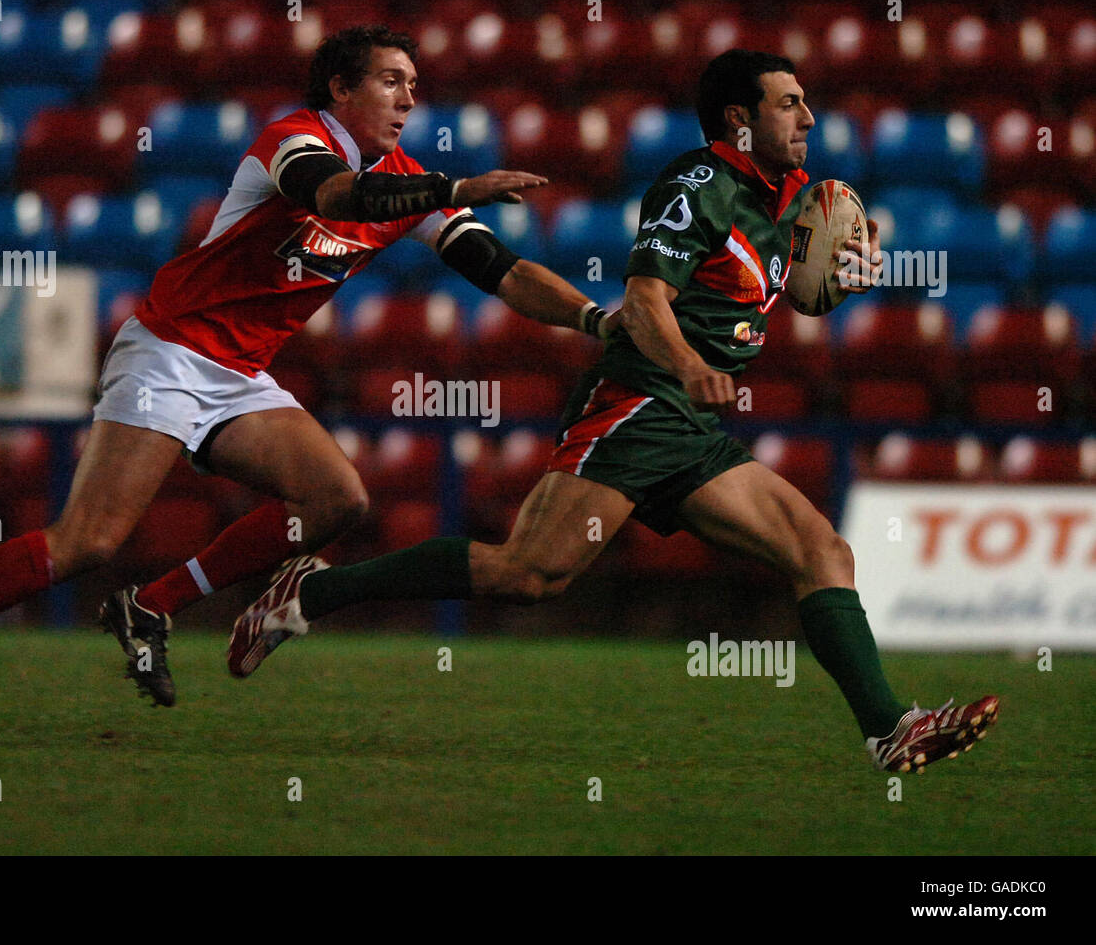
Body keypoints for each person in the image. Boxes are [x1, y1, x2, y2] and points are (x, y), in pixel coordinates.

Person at [231, 49, 999, 775]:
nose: (807, 118)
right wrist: (691, 365)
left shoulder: (777, 206)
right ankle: (309, 592)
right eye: (789, 104)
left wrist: (832, 282)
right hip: (641, 403)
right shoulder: (699, 184)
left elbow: (778, 294)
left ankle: (890, 730)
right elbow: (645, 296)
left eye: (806, 104)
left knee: (820, 550)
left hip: (690, 429)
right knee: (528, 573)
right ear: (740, 119)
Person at [0, 25, 616, 736]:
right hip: (170, 350)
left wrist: (594, 320)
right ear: (341, 90)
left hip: (240, 373)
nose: (409, 96)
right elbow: (334, 197)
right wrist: (453, 187)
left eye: (413, 82)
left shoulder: (405, 179)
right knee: (90, 539)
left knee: (336, 497)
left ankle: (153, 604)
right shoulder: (295, 140)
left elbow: (502, 270)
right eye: (390, 80)